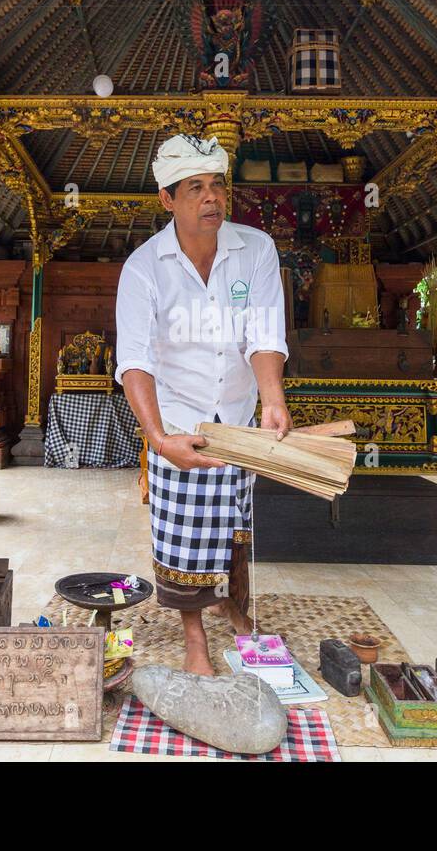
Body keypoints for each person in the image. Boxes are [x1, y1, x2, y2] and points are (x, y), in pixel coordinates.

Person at [115, 133, 292, 676]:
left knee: (236, 526)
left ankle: (233, 603)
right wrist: (158, 439)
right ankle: (194, 637)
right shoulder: (144, 267)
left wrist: (272, 398)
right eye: (195, 188)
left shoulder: (255, 249)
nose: (211, 198)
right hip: (178, 420)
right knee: (184, 534)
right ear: (167, 199)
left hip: (237, 415)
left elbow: (263, 332)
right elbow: (135, 361)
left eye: (217, 185)